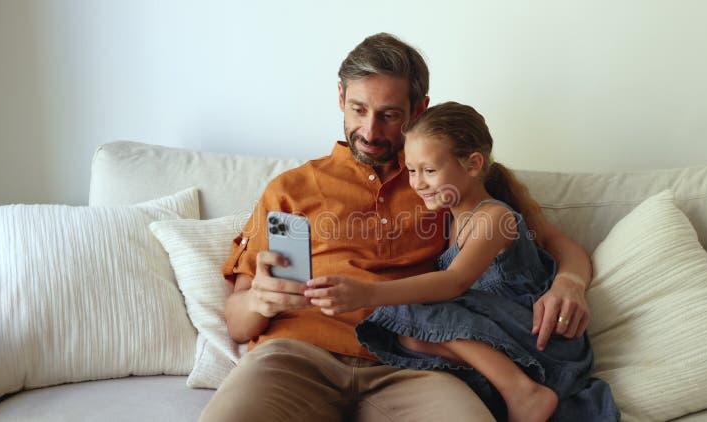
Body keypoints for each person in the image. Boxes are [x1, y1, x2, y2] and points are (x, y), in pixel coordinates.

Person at [200, 33, 595, 422]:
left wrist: (569, 283)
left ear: (419, 109)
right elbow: (237, 322)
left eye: (389, 115)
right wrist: (259, 301)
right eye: (358, 110)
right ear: (341, 98)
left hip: (415, 364)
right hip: (297, 353)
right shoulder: (290, 188)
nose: (370, 132)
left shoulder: (444, 179)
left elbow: (553, 243)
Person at [303, 102, 619, 422]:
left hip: (540, 335)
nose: (417, 183)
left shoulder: (494, 217)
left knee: (408, 306)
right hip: (503, 337)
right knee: (407, 333)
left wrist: (366, 293)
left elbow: (454, 282)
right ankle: (509, 382)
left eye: (429, 170)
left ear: (472, 165)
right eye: (412, 170)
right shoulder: (450, 221)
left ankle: (522, 390)